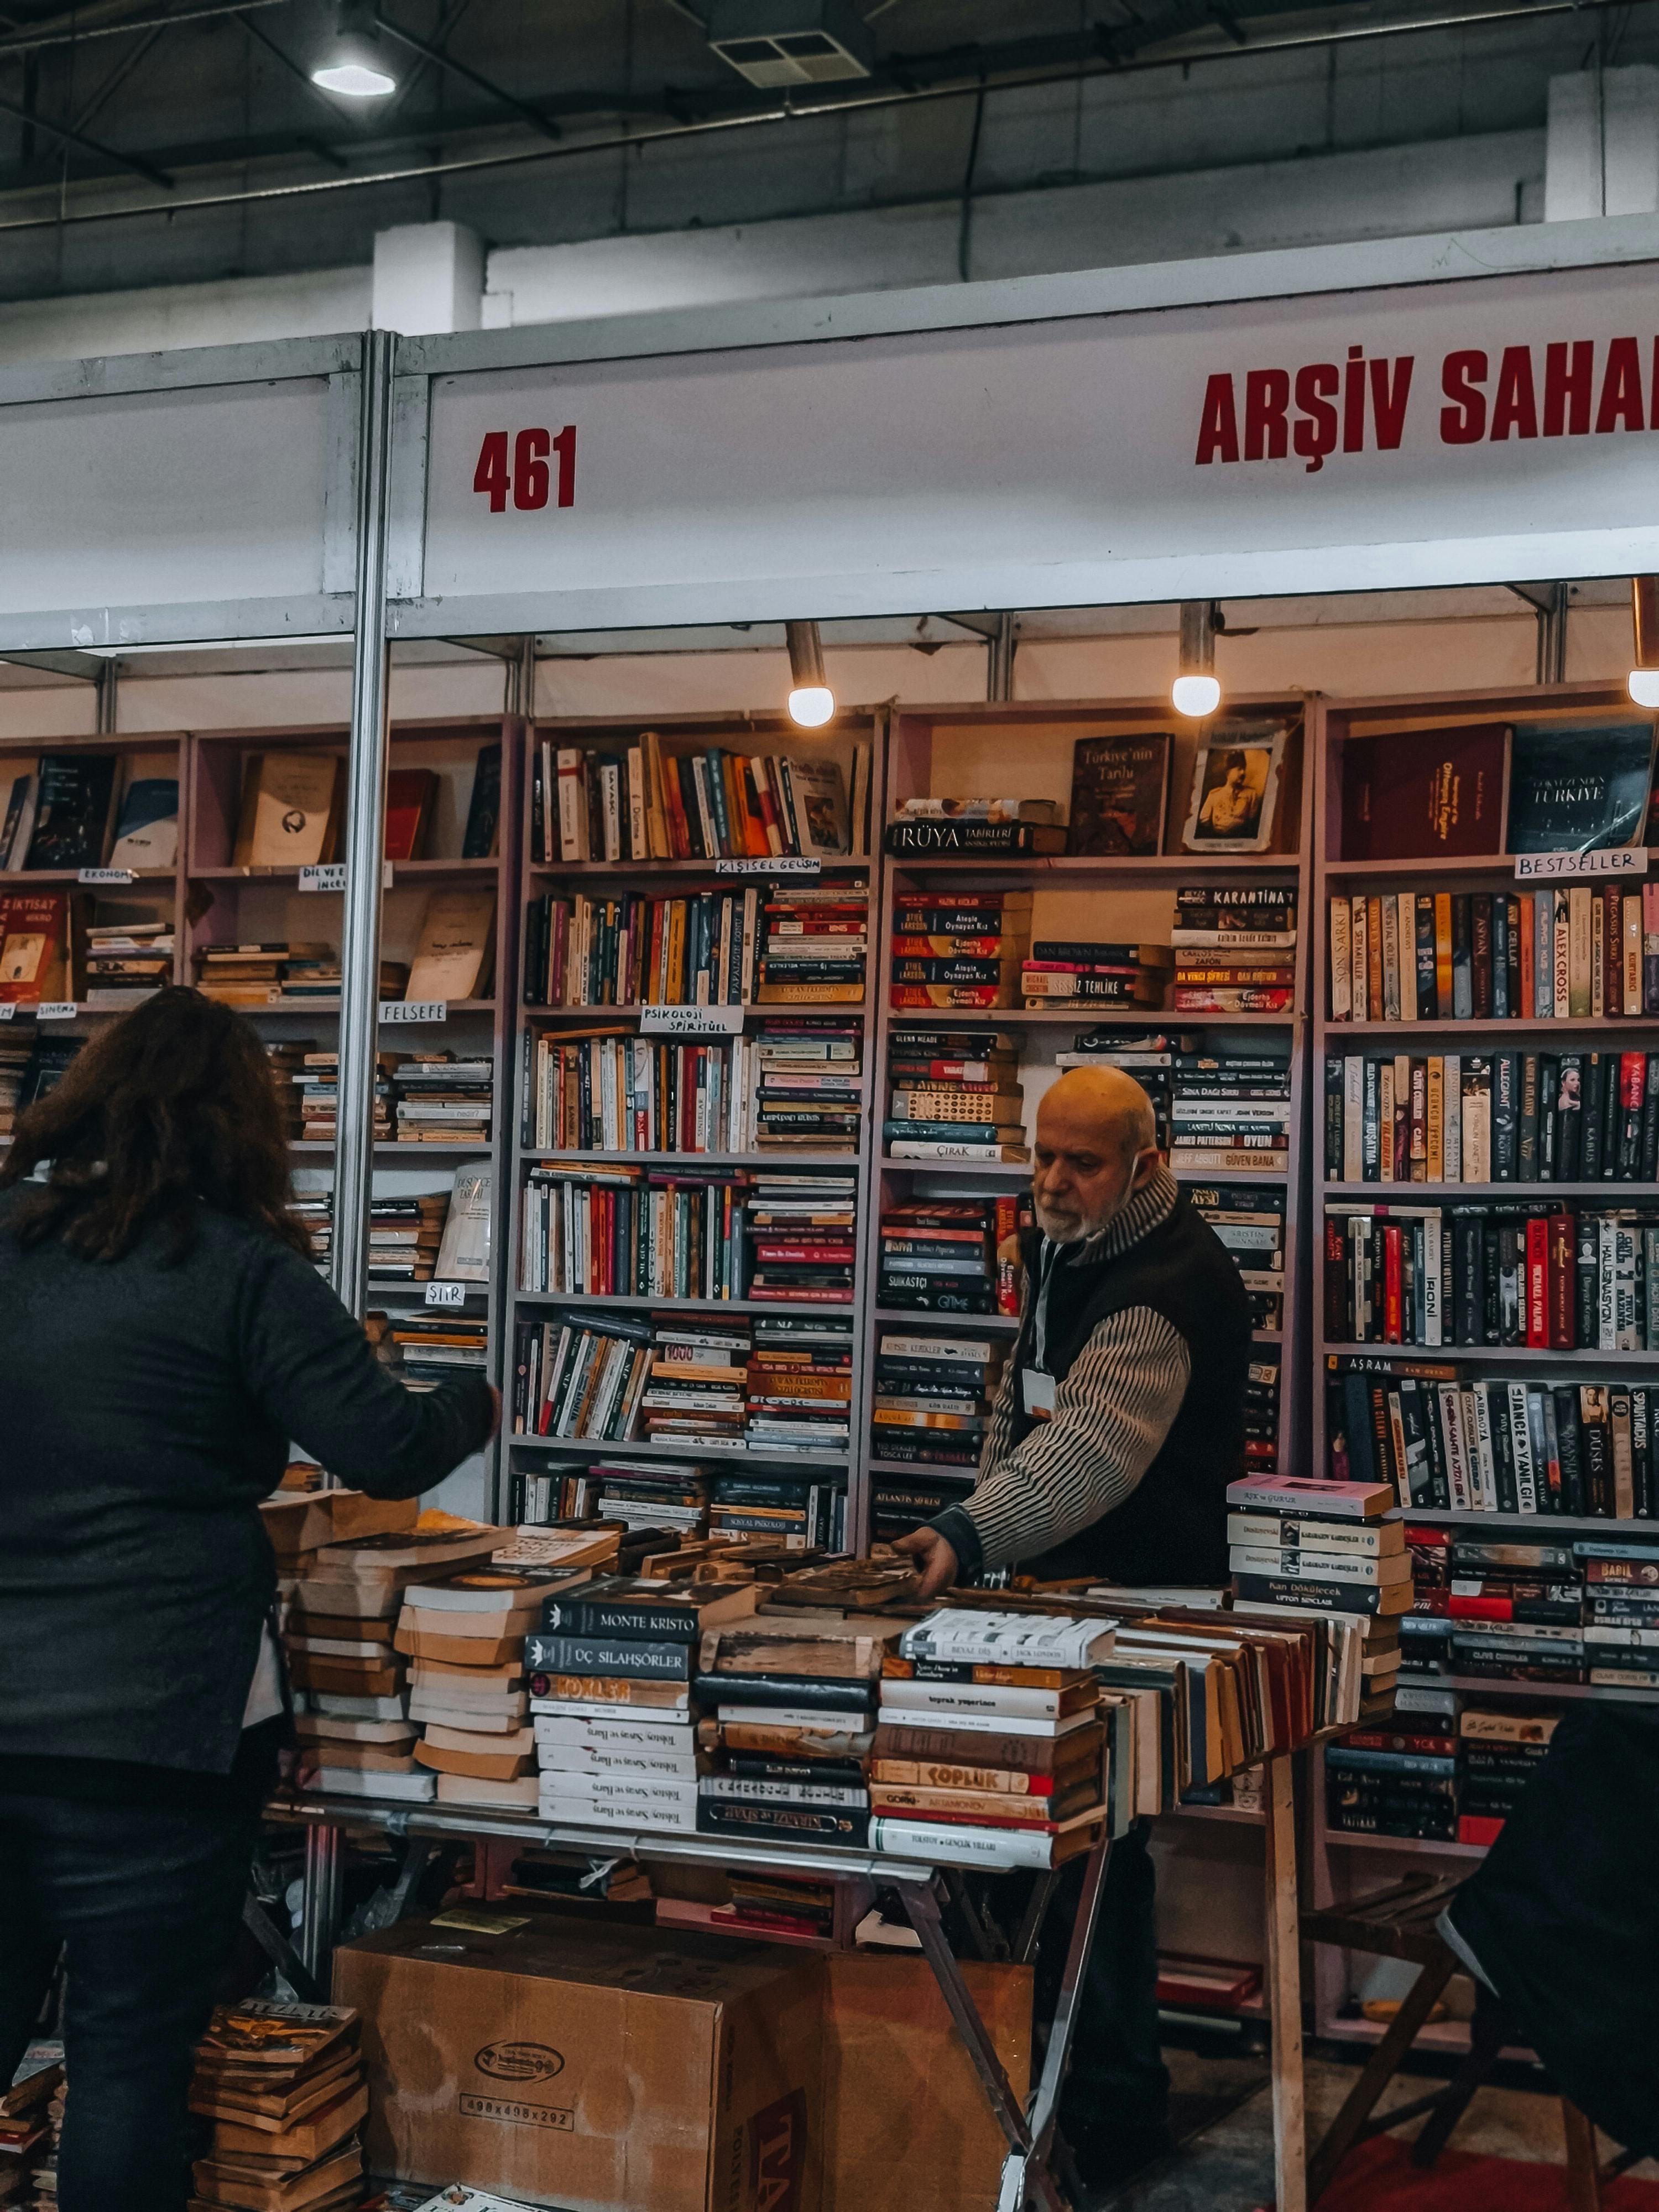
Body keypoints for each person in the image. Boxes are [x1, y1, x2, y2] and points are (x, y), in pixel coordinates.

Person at [0, 987, 498, 2212]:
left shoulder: (6, 1239)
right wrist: (477, 1394)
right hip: (157, 1720)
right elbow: (385, 1446)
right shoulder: (236, 1268)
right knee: (126, 2053)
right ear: (245, 1125)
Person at [895, 1064, 1252, 2185]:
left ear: (1144, 1163)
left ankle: (1112, 2115)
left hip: (1147, 1599)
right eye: (1041, 1153)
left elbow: (1089, 1449)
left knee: (1103, 1854)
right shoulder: (1069, 1237)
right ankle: (1022, 2085)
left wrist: (966, 1529)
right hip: (1050, 1597)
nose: (1051, 1178)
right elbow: (1028, 1391)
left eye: (1081, 1161)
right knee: (1026, 1841)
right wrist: (982, 1539)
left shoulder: (1169, 1282)